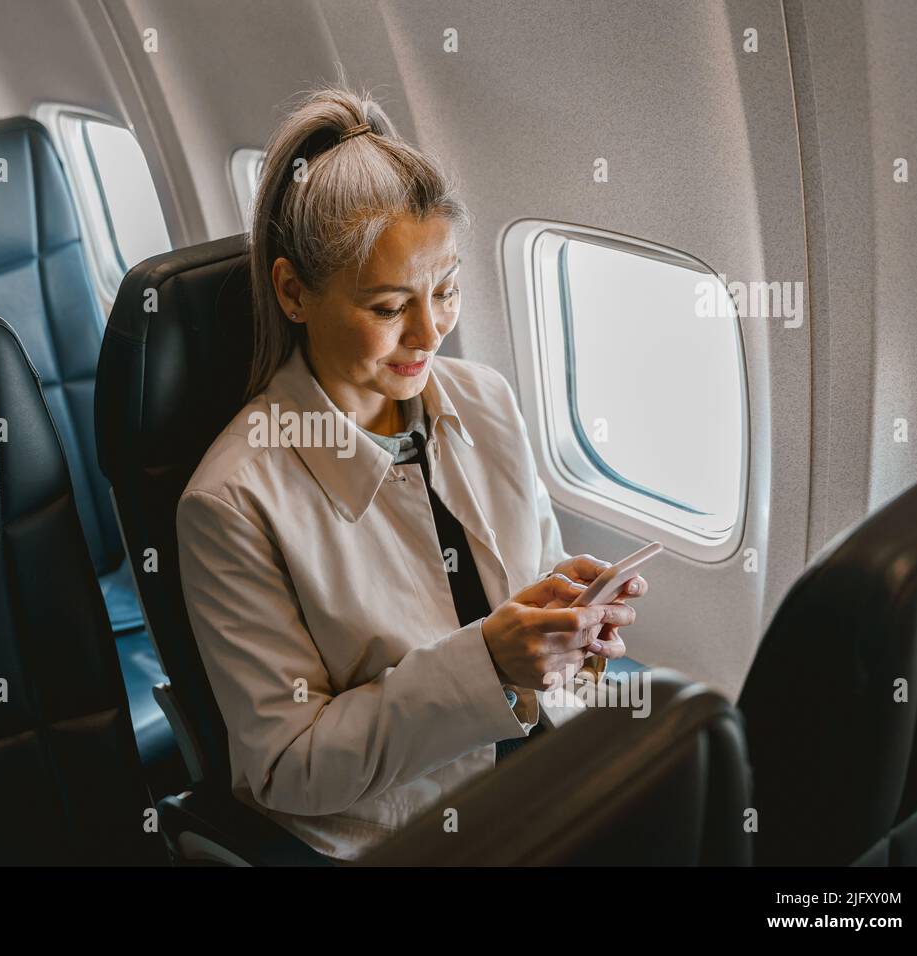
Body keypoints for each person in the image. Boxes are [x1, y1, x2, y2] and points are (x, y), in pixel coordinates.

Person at [175, 85, 647, 863]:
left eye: (447, 290)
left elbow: (526, 580)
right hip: (398, 834)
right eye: (391, 306)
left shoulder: (484, 400)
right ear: (294, 292)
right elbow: (287, 766)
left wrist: (569, 622)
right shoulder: (231, 502)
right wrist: (491, 662)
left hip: (534, 762)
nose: (430, 333)